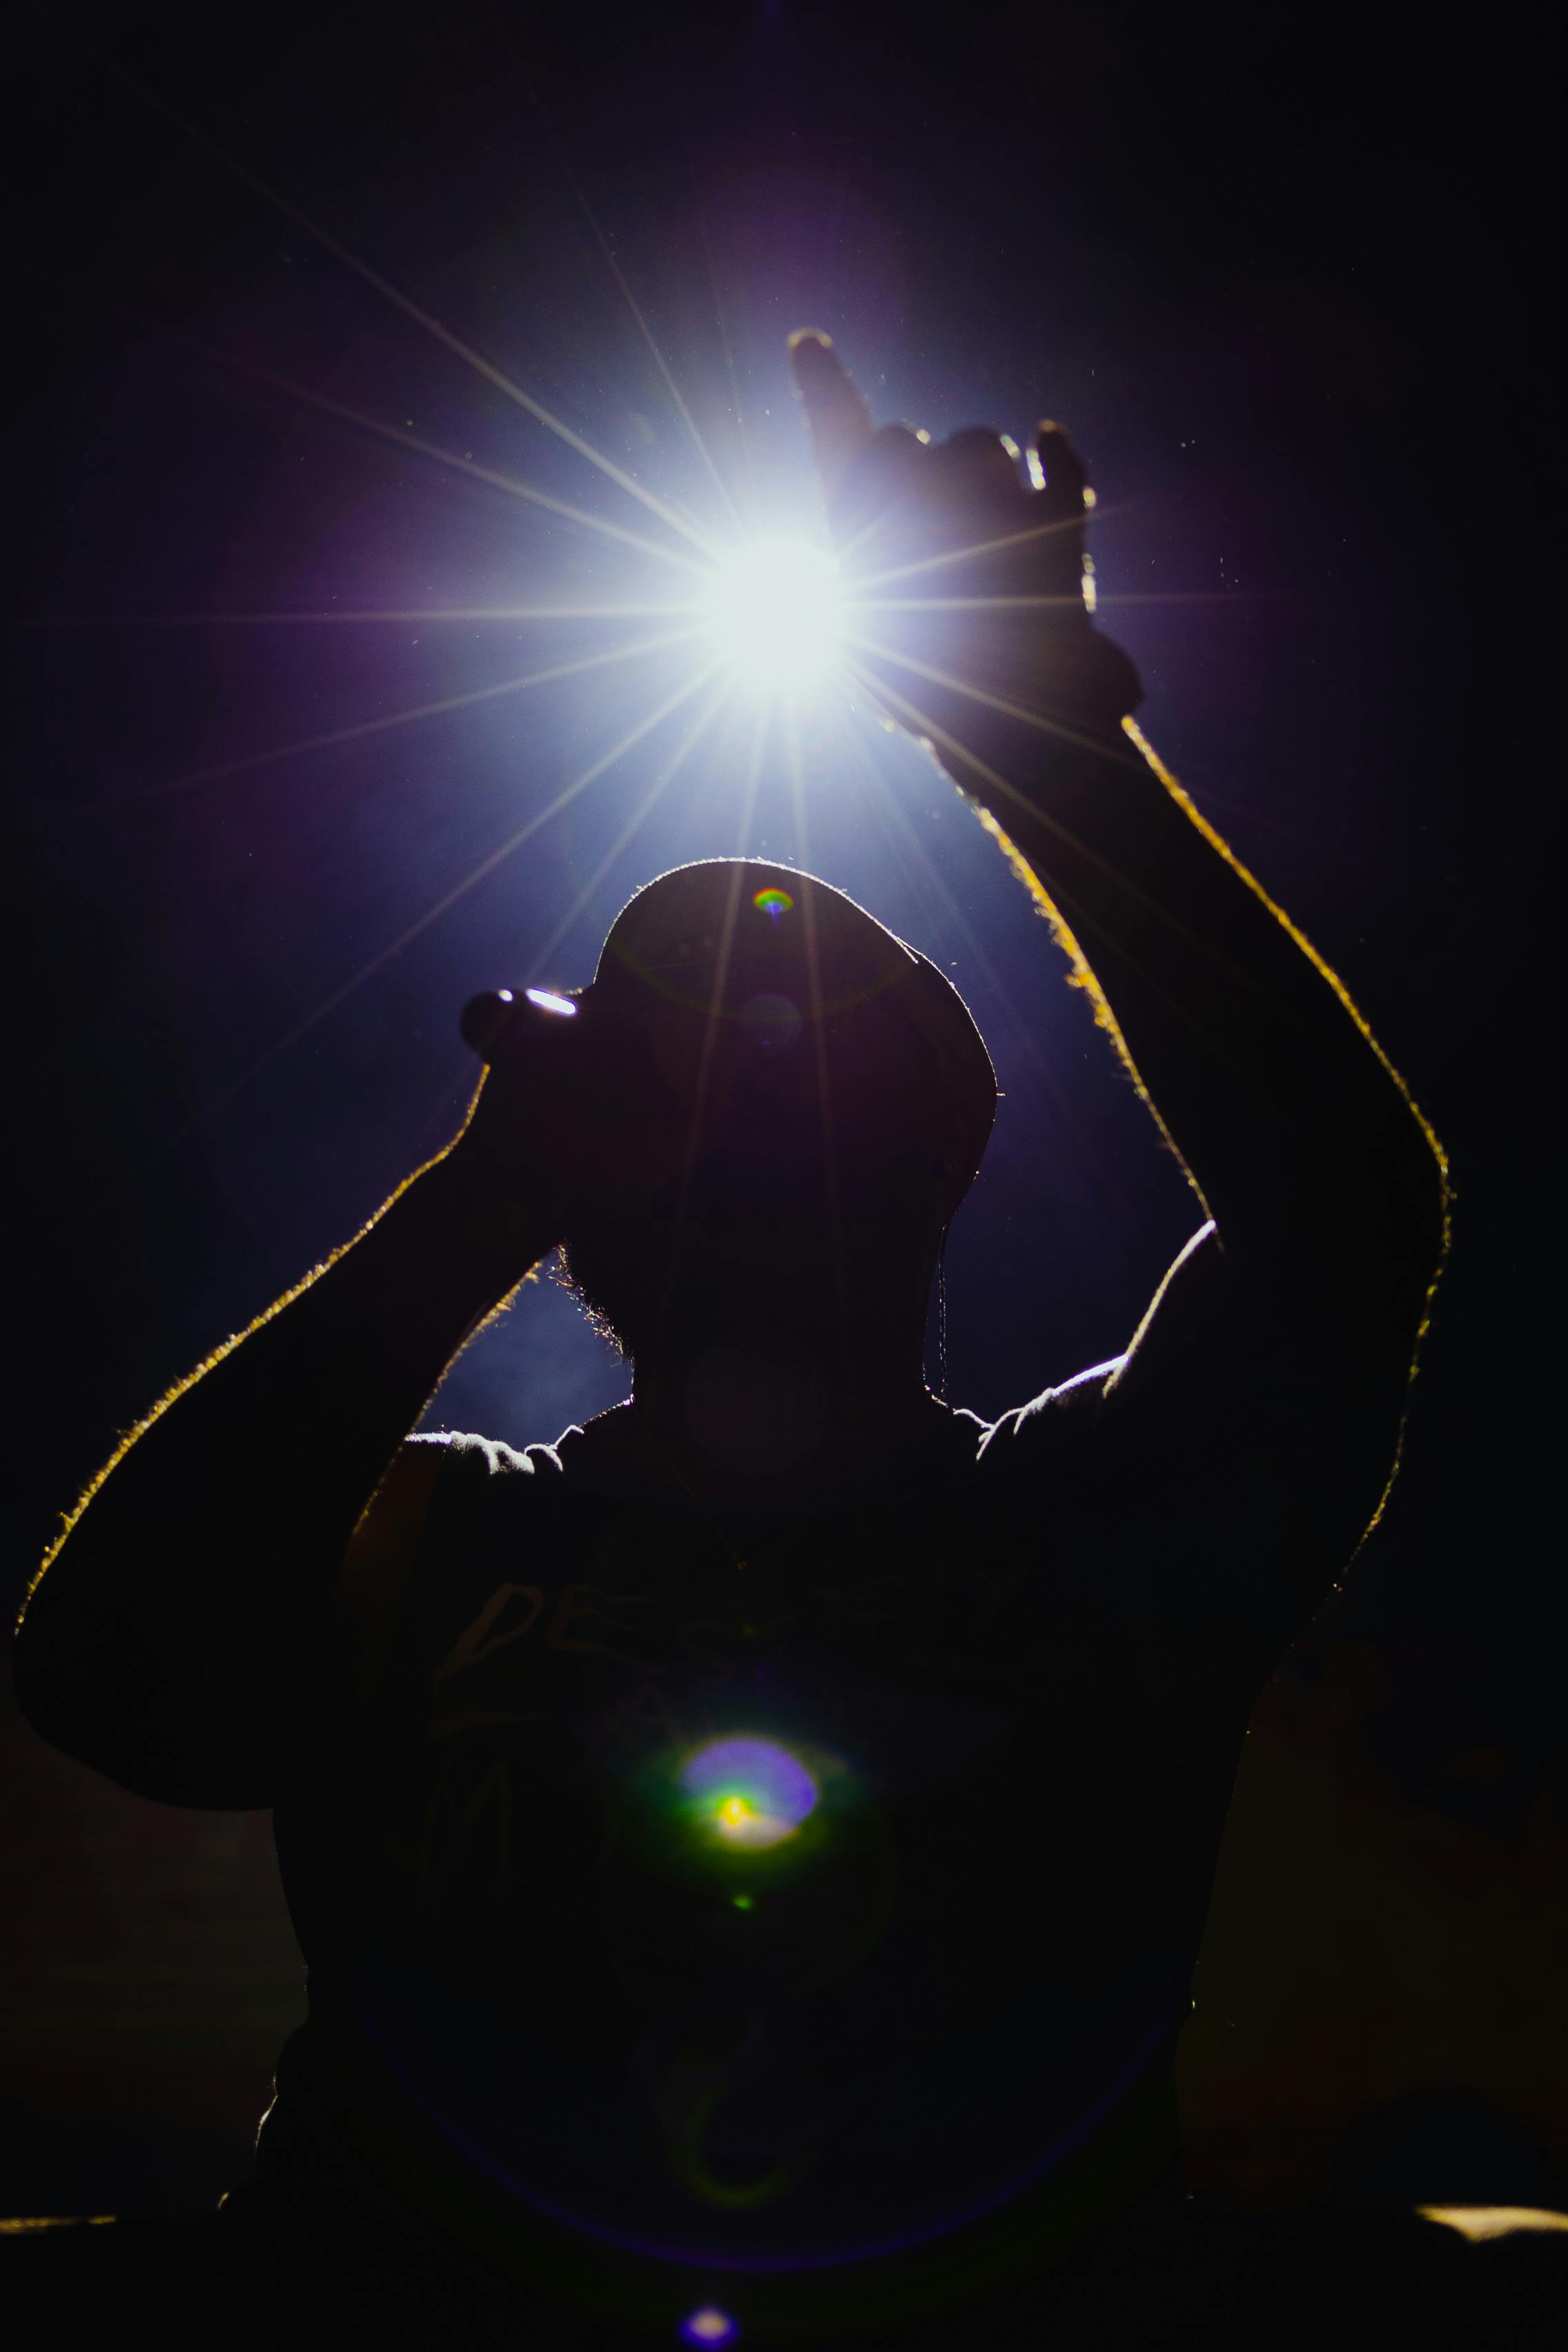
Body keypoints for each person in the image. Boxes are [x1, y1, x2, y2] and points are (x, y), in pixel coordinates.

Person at [10, 332, 1449, 2346]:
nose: (724, 1075)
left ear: (933, 1148)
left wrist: (1041, 733)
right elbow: (112, 1689)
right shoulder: (430, 1540)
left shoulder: (1092, 1523)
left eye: (790, 1047)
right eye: (665, 1031)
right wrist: (484, 1192)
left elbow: (1345, 1225)